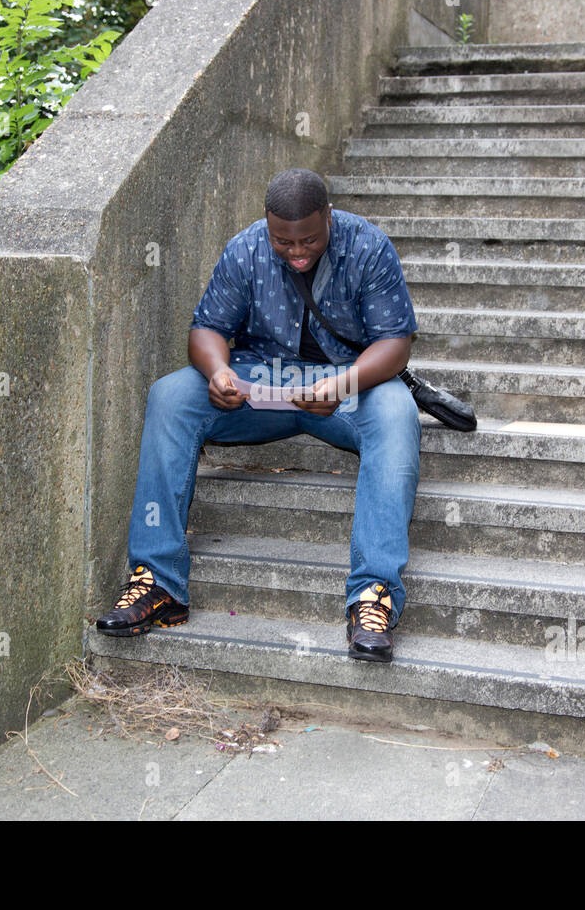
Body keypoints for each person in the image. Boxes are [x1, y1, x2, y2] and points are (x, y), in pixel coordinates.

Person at [94, 168, 421, 662]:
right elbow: (205, 328)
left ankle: (372, 595)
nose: (295, 250)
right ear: (266, 225)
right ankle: (157, 583)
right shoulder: (244, 248)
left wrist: (345, 383)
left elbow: (396, 345)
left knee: (398, 411)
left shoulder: (368, 247)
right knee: (170, 395)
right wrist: (218, 371)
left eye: (308, 238)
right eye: (282, 240)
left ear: (328, 217)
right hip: (260, 382)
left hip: (344, 384)